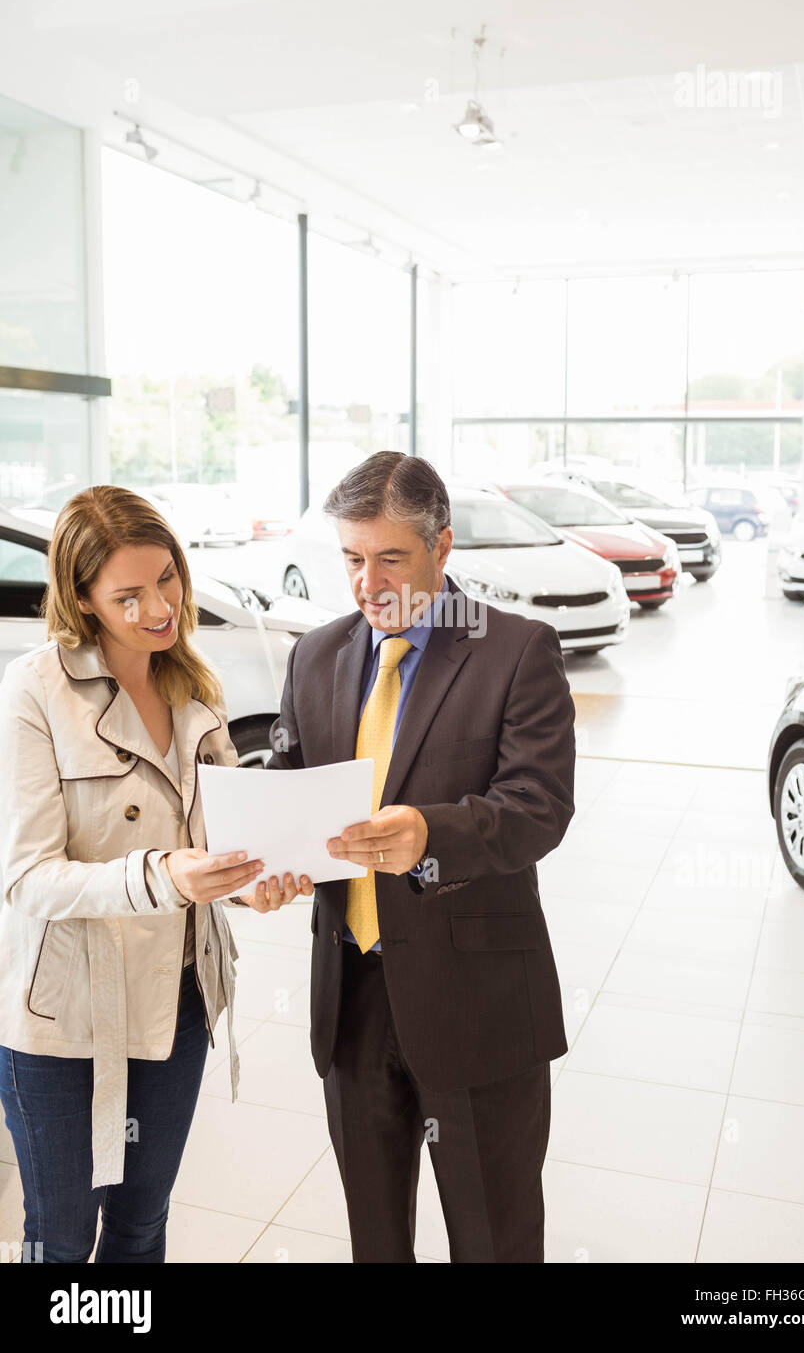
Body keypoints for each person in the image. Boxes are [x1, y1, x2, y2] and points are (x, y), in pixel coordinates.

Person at [267, 451, 575, 1262]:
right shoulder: (316, 656)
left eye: (390, 558)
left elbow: (539, 808)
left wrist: (430, 834)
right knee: (377, 1243)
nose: (368, 582)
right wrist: (262, 861)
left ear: (442, 549)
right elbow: (291, 787)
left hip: (475, 1006)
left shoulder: (517, 651)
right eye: (352, 559)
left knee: (494, 1241)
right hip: (354, 1003)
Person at [0, 484, 307, 1264]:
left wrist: (252, 879)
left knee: (142, 1227)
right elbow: (29, 877)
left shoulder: (195, 687)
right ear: (82, 598)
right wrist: (162, 875)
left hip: (178, 999)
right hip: (63, 1015)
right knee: (62, 1239)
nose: (158, 608)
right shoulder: (35, 692)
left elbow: (218, 842)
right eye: (128, 595)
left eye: (166, 579)